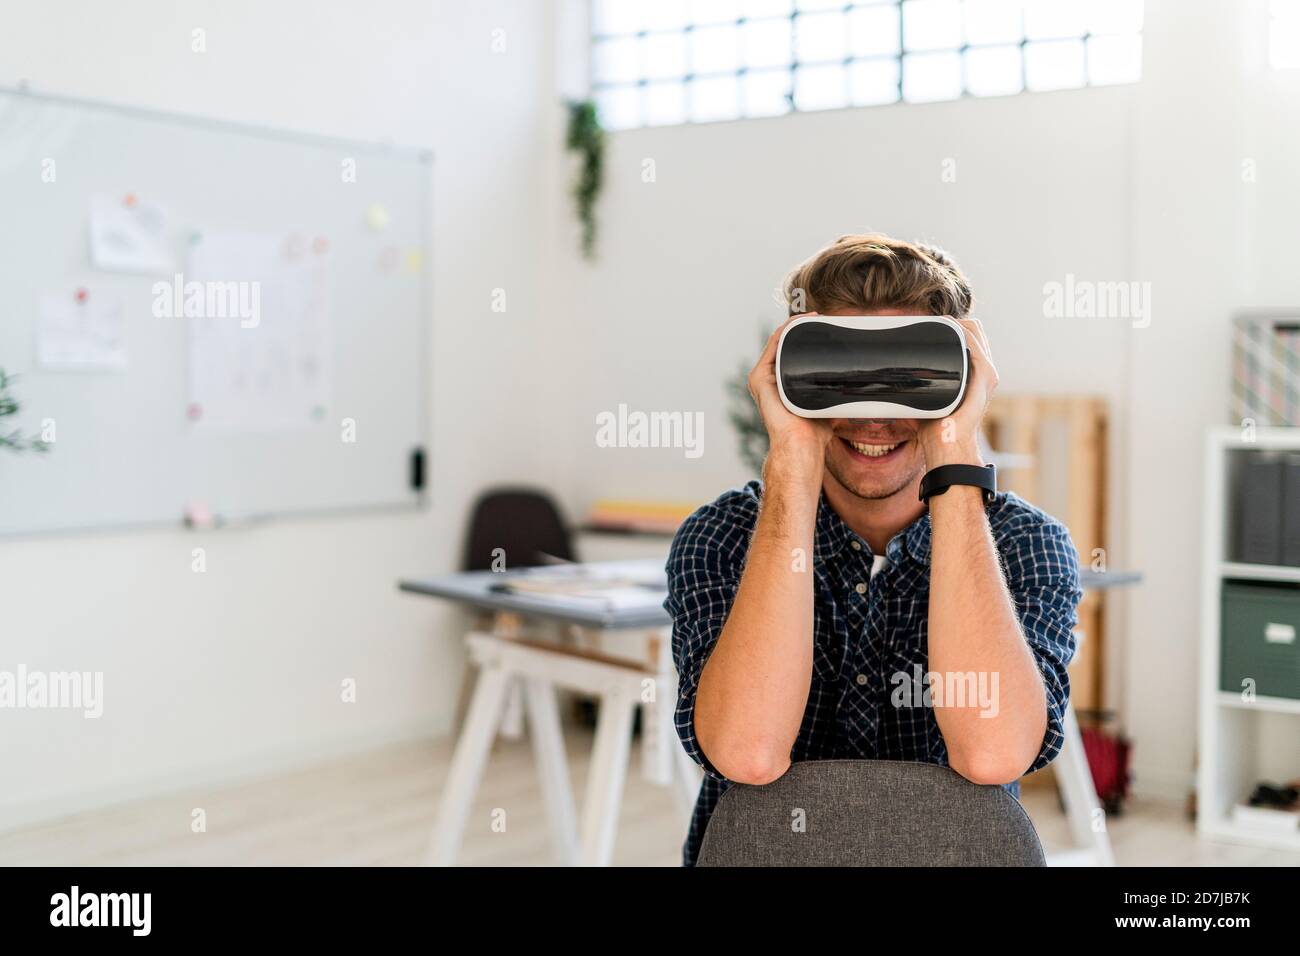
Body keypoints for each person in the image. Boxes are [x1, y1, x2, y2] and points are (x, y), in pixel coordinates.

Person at [665, 234, 1082, 867]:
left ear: (961, 380)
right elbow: (747, 752)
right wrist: (793, 460)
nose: (873, 418)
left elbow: (992, 753)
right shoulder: (723, 537)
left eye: (906, 382)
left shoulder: (1025, 544)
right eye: (844, 380)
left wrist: (955, 451)